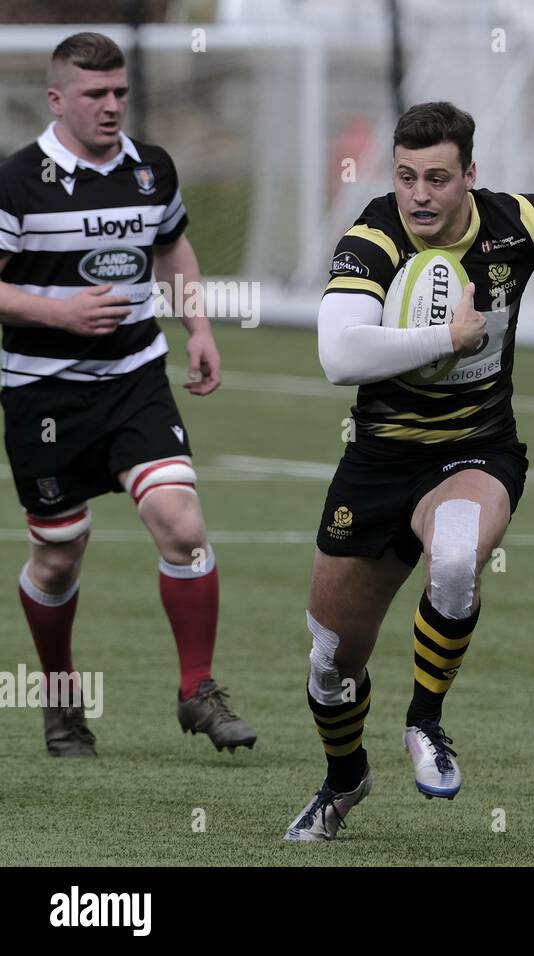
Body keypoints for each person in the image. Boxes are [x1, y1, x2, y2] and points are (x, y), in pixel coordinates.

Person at [285, 100, 534, 841]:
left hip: (477, 451)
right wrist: (447, 335)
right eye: (406, 177)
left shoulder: (515, 225)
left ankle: (425, 722)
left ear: (471, 175)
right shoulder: (372, 238)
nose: (420, 195)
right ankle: (344, 780)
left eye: (438, 178)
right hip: (377, 464)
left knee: (457, 555)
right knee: (332, 662)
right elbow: (338, 356)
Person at [0, 33, 255, 757]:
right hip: (43, 394)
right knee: (59, 554)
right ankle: (61, 703)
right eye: (94, 95)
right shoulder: (17, 181)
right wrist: (60, 313)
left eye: (119, 93)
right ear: (57, 100)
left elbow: (171, 245)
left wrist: (197, 325)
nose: (112, 106)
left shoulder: (152, 169)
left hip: (135, 379)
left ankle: (197, 692)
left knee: (181, 523)